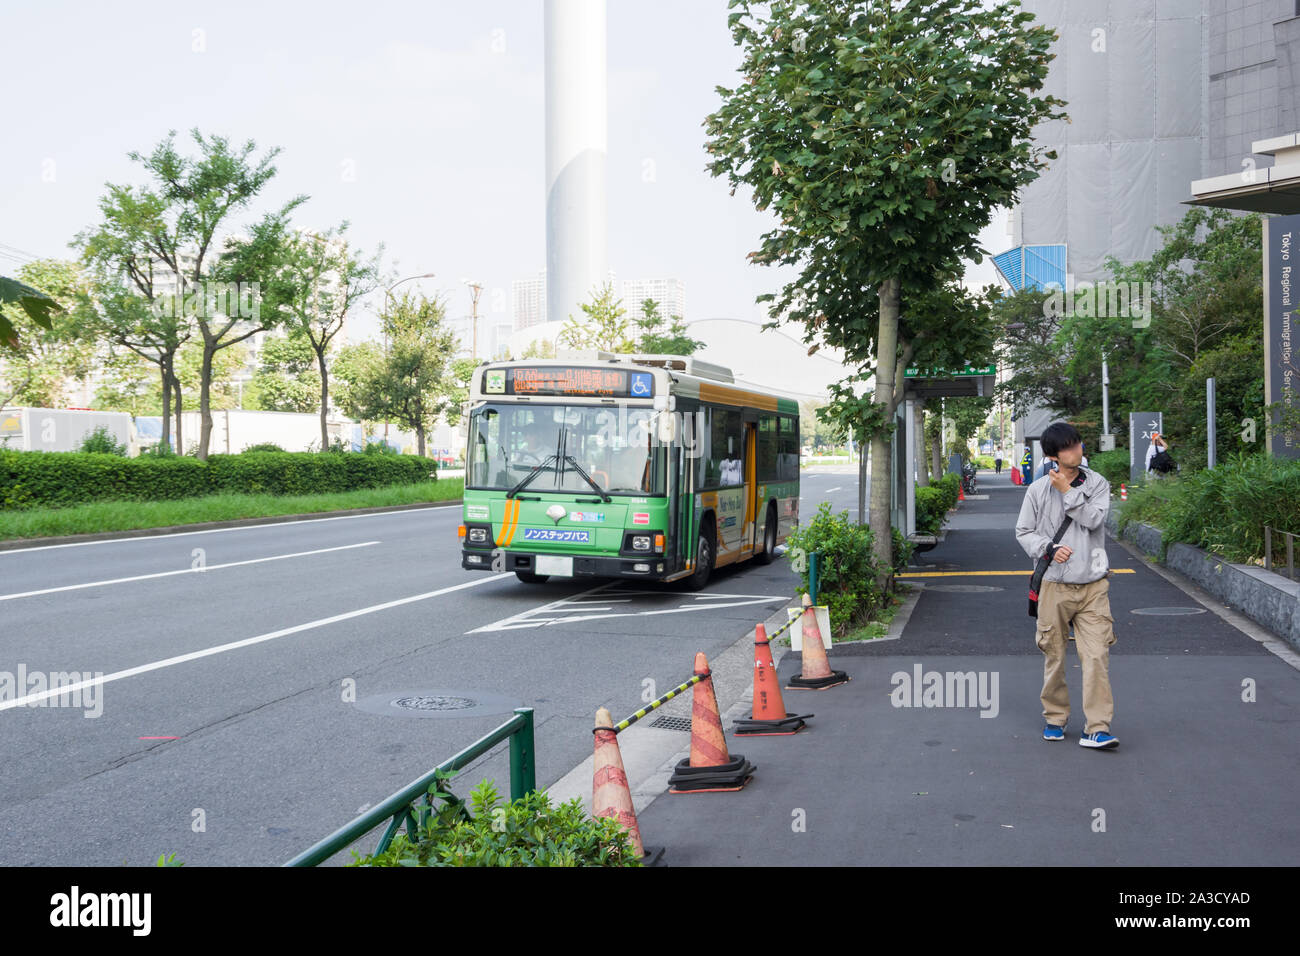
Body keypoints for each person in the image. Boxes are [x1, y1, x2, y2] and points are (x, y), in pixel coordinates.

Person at [1015, 421, 1119, 750]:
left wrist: (1067, 492)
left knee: (1097, 656)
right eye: (1070, 447)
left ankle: (1098, 727)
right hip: (1053, 585)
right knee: (1054, 654)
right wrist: (1047, 548)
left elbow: (1094, 520)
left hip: (1093, 585)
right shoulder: (1036, 490)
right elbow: (1024, 532)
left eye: (1078, 444)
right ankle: (1055, 717)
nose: (1077, 450)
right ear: (1053, 456)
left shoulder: (1098, 484)